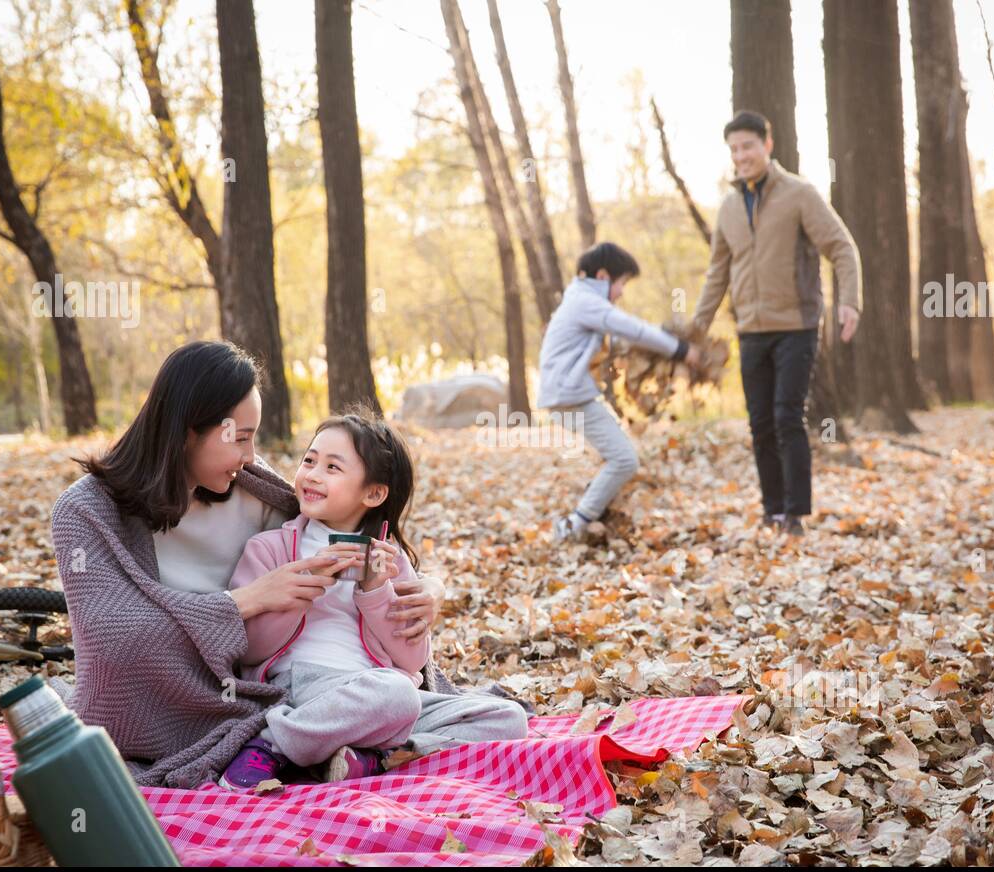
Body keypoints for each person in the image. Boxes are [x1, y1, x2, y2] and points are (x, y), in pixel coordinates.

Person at [49, 341, 511, 790]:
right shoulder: (87, 512)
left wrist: (429, 586)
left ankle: (369, 754)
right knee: (389, 696)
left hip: (353, 689)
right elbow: (117, 641)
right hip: (232, 699)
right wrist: (246, 602)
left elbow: (348, 522)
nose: (253, 457)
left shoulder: (251, 484)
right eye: (243, 438)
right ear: (190, 428)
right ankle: (297, 746)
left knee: (496, 717)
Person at [223, 408, 529, 789]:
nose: (312, 475)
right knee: (396, 694)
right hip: (304, 689)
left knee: (508, 718)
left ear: (373, 493)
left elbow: (412, 660)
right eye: (309, 460)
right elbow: (247, 650)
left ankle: (376, 759)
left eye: (332, 468)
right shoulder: (271, 548)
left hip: (380, 696)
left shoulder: (390, 560)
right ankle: (271, 744)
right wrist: (301, 591)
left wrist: (374, 591)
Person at [689, 110, 862, 537]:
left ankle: (796, 514)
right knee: (760, 422)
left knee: (787, 416)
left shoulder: (799, 194)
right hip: (750, 329)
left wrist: (849, 302)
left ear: (768, 145)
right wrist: (697, 328)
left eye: (747, 146)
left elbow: (841, 247)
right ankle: (772, 510)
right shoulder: (729, 208)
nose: (741, 156)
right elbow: (717, 273)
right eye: (733, 149)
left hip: (797, 325)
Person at [538, 242, 703, 543]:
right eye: (622, 282)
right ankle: (575, 524)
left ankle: (590, 516)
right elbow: (631, 329)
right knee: (624, 459)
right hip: (569, 395)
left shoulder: (579, 299)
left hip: (569, 394)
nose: (622, 291)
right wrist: (679, 349)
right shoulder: (586, 302)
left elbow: (623, 339)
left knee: (618, 457)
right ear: (602, 276)